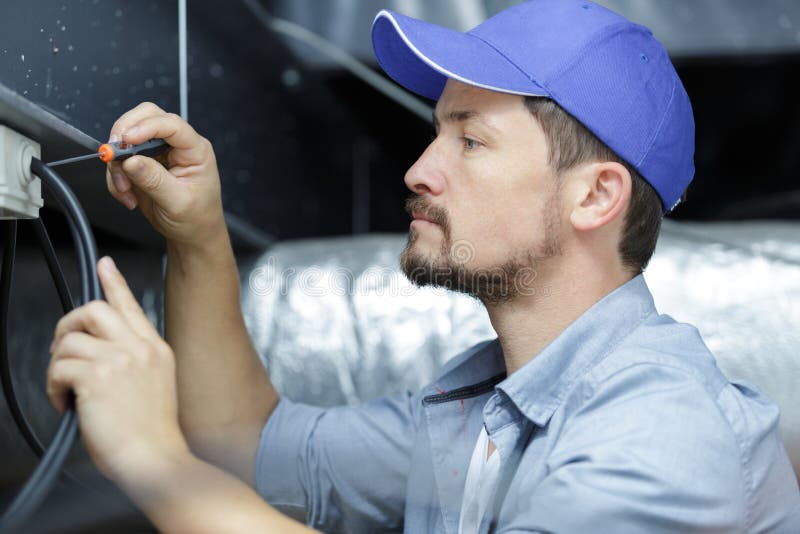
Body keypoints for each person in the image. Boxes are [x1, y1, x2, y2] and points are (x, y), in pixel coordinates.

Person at [46, 0, 800, 532]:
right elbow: (243, 448)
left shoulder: (660, 437)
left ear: (595, 195)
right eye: (437, 133)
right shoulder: (482, 414)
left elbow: (198, 464)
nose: (418, 170)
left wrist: (152, 462)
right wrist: (198, 236)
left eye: (469, 141)